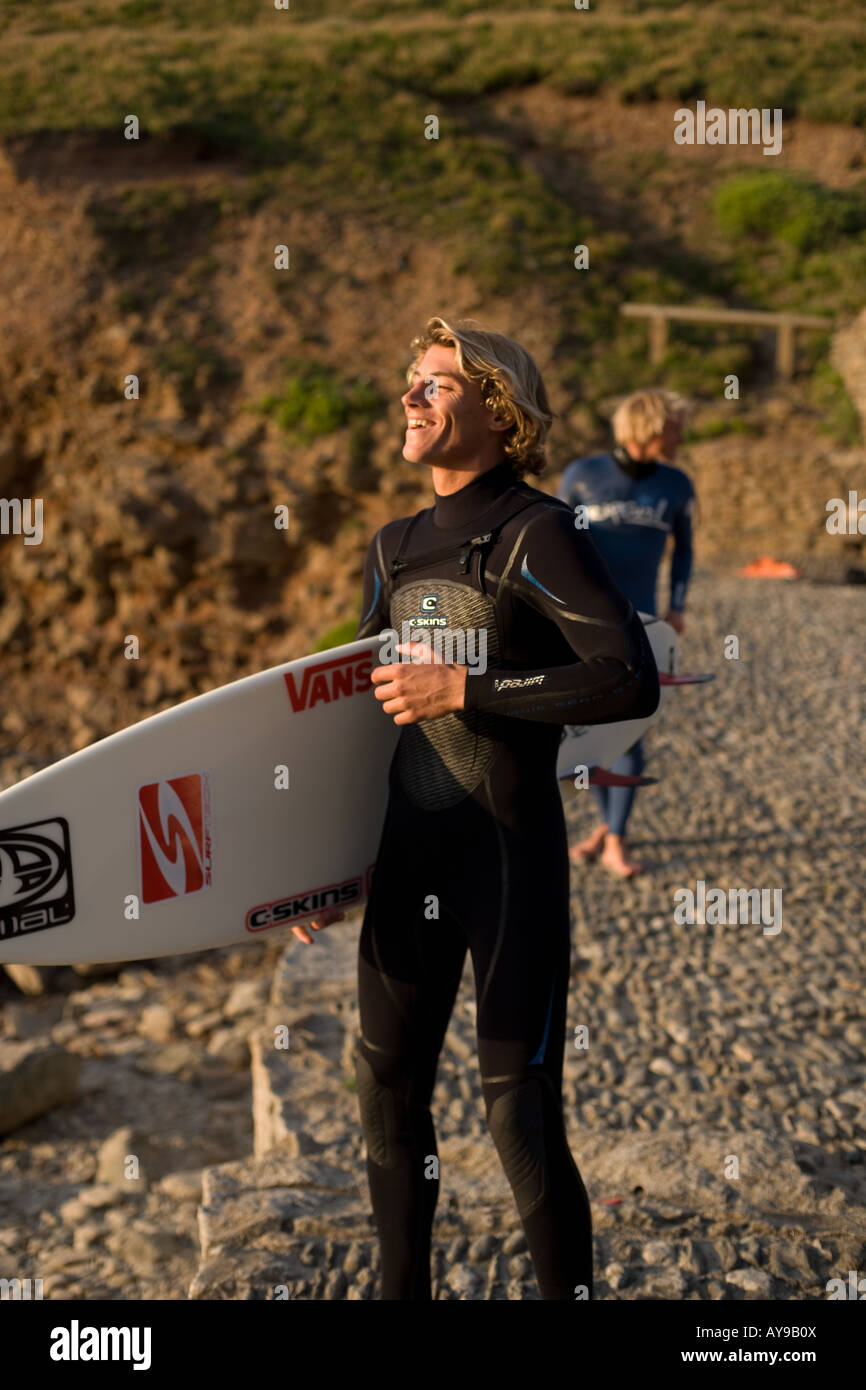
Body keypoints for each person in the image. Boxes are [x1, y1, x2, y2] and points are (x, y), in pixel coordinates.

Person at [293, 318, 659, 1301]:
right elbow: (357, 711)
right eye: (409, 379)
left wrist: (468, 689)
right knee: (383, 1088)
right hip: (408, 854)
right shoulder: (394, 543)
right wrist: (310, 869)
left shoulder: (538, 530)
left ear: (498, 413)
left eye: (437, 384)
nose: (409, 398)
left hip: (506, 858)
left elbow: (625, 677)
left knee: (516, 1109)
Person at [557, 390, 695, 878]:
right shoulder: (582, 476)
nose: (682, 436)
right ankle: (606, 826)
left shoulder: (676, 485)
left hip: (645, 626)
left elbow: (684, 551)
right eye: (676, 427)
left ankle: (616, 839)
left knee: (631, 733)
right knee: (588, 737)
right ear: (652, 428)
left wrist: (678, 604)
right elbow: (554, 548)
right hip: (583, 629)